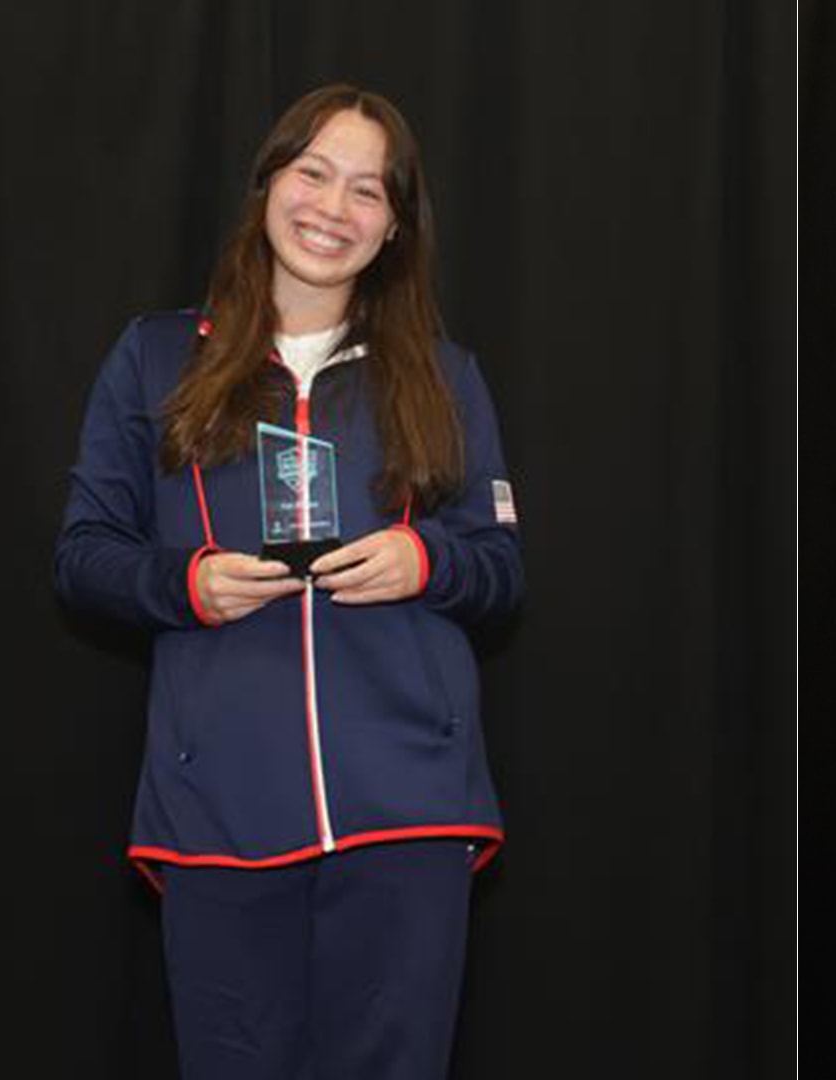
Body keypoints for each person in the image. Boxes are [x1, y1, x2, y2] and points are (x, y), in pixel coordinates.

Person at [55, 84, 522, 1079]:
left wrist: (427, 561)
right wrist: (185, 584)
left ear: (395, 226)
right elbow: (84, 554)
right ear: (268, 182)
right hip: (219, 801)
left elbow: (500, 568)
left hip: (409, 806)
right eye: (313, 172)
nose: (332, 208)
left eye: (368, 190)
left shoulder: (446, 376)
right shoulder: (154, 358)